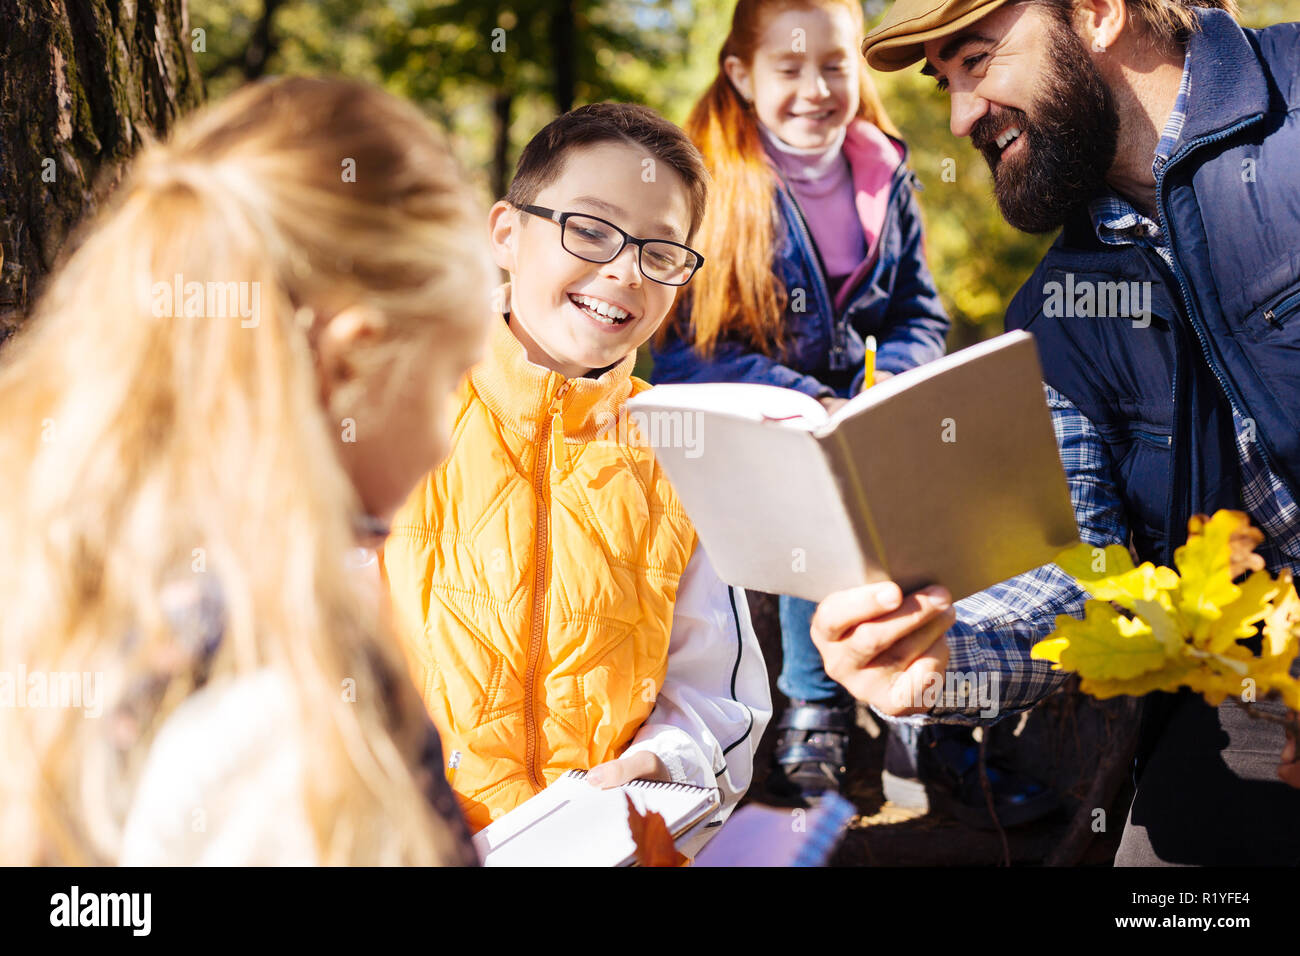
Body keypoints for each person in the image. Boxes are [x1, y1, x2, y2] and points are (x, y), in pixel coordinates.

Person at [814, 0, 1300, 864]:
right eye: (946, 82)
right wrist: (934, 662)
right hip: (1249, 681)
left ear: (1098, 13)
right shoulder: (1055, 316)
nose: (961, 115)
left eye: (978, 61)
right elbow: (1076, 574)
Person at [0, 76, 489, 865]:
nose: (446, 437)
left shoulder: (53, 558)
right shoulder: (283, 723)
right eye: (452, 380)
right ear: (351, 360)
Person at [648, 0, 1047, 822]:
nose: (816, 89)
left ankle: (943, 718)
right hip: (752, 418)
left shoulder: (883, 170)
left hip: (858, 407)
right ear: (740, 76)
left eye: (834, 65)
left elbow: (917, 315)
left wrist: (890, 385)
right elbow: (687, 349)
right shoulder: (711, 182)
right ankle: (814, 709)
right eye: (787, 70)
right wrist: (808, 400)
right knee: (813, 497)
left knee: (953, 485)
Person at [382, 103, 772, 849]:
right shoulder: (396, 407)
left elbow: (719, 697)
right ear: (506, 233)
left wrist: (664, 760)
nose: (625, 269)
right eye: (590, 230)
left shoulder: (683, 450)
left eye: (662, 252)